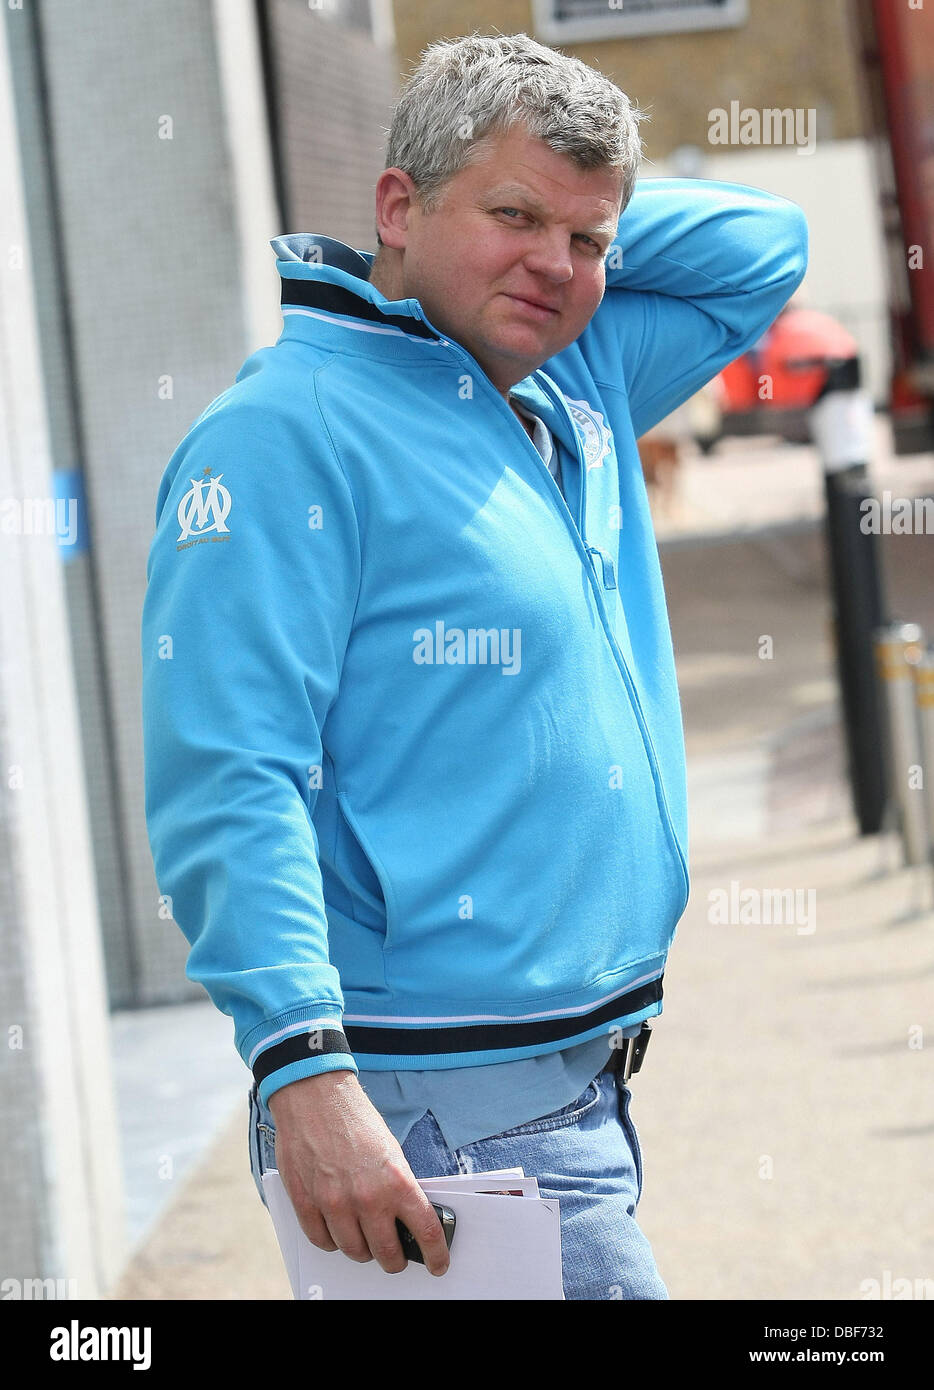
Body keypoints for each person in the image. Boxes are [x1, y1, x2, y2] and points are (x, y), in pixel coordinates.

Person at [141, 30, 808, 1300]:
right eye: (512, 214)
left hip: (572, 1092)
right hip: (437, 1119)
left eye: (591, 241)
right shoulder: (285, 438)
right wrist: (303, 1074)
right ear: (396, 203)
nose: (555, 266)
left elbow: (765, 246)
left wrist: (552, 220)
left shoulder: (575, 374)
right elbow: (228, 775)